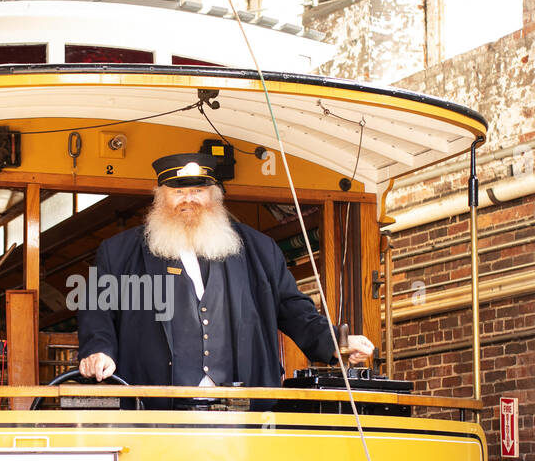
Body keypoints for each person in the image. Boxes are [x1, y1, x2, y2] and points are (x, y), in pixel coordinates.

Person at [76, 152, 374, 389]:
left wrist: (336, 341)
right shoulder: (119, 252)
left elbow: (293, 308)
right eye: (178, 192)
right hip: (155, 405)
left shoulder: (260, 249)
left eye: (198, 190)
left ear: (214, 196)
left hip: (242, 407)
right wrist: (98, 350)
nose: (189, 199)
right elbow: (98, 312)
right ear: (160, 196)